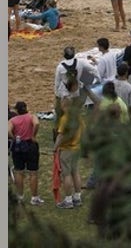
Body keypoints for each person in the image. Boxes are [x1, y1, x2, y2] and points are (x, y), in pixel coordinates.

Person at [52, 66, 85, 209]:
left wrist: (55, 148)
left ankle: (68, 200)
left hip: (67, 149)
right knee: (75, 171)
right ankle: (78, 197)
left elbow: (61, 135)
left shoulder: (65, 118)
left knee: (66, 175)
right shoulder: (77, 116)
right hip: (77, 147)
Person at [9, 101, 42, 206]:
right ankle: (34, 197)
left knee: (19, 172)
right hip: (30, 144)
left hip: (18, 146)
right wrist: (33, 135)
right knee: (33, 172)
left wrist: (14, 138)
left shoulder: (13, 120)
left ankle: (20, 196)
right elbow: (36, 123)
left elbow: (7, 131)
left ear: (17, 110)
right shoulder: (31, 116)